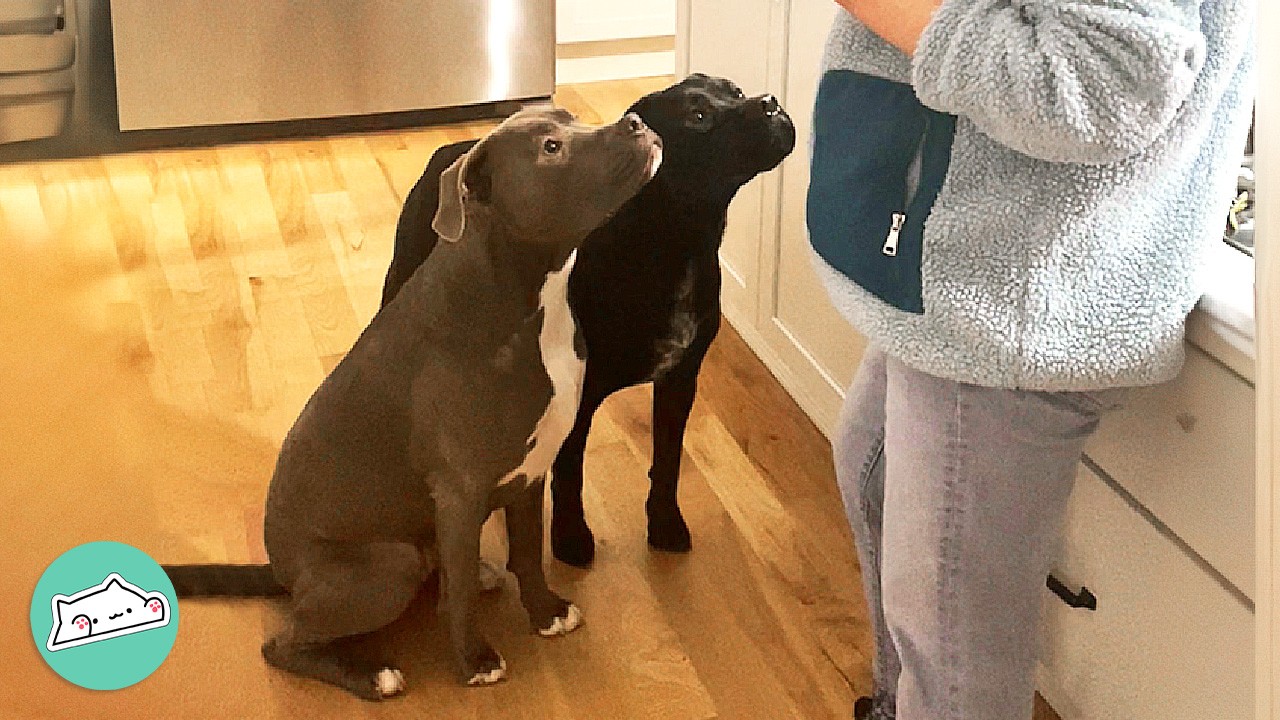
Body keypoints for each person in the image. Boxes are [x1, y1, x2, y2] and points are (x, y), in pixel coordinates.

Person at [805, 0, 1257, 718]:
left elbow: (1103, 86)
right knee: (873, 477)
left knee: (952, 644)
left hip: (1007, 294)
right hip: (960, 278)